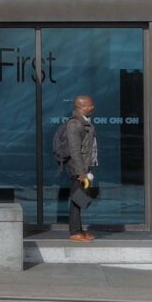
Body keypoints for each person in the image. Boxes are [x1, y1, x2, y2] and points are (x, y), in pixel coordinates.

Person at [52, 94, 100, 242]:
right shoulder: (75, 124)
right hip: (77, 168)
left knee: (78, 199)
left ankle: (78, 230)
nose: (92, 107)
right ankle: (75, 232)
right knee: (77, 199)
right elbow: (74, 150)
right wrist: (81, 172)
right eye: (89, 105)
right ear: (81, 107)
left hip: (83, 167)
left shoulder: (84, 122)